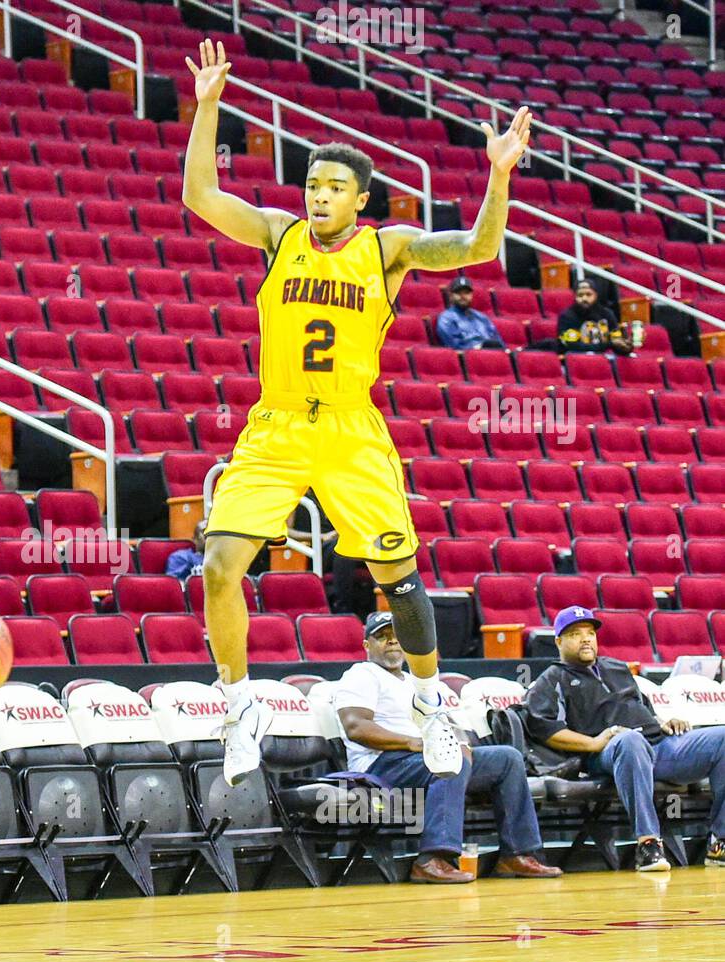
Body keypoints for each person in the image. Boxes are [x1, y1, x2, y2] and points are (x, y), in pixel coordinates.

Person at [182, 39, 532, 787]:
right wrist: (208, 106)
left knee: (398, 576)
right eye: (312, 183)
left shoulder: (387, 248)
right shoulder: (280, 235)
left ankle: (435, 703)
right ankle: (238, 704)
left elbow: (478, 245)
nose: (318, 194)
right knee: (218, 564)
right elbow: (202, 200)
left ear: (360, 199)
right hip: (276, 424)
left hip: (350, 427)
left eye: (334, 186)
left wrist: (498, 175)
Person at [336, 612, 562, 883]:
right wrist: (415, 743)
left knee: (508, 759)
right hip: (381, 764)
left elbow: (444, 723)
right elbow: (356, 727)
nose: (392, 642)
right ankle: (433, 857)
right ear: (366, 646)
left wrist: (460, 743)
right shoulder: (361, 675)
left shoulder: (415, 681)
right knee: (448, 761)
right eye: (382, 637)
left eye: (397, 637)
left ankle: (516, 854)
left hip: (422, 757)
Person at [523, 606, 725, 872]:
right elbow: (546, 730)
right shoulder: (552, 678)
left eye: (589, 633)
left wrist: (665, 722)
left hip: (657, 745)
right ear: (559, 641)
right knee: (630, 740)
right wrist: (594, 743)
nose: (585, 639)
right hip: (606, 753)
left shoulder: (617, 668)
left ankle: (719, 841)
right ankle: (648, 843)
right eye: (575, 634)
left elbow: (641, 710)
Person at [557, 278, 632, 355]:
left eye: (588, 294)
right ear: (575, 297)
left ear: (596, 295)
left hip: (604, 360)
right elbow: (572, 346)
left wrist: (626, 347)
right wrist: (608, 344)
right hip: (577, 360)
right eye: (580, 295)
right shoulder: (566, 316)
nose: (584, 299)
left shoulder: (607, 314)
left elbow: (616, 341)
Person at [434, 277, 505, 350]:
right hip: (469, 356)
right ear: (451, 296)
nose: (463, 296)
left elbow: (498, 340)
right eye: (458, 293)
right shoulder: (446, 318)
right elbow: (452, 345)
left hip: (492, 353)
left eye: (466, 293)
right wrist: (477, 347)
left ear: (471, 295)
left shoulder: (481, 317)